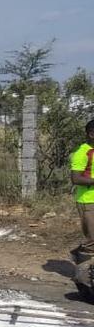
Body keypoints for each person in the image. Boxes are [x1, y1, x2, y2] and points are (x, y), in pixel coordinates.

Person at [70, 119, 94, 291]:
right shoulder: (82, 153)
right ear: (91, 134)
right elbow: (76, 178)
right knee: (93, 240)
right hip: (87, 201)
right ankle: (85, 278)